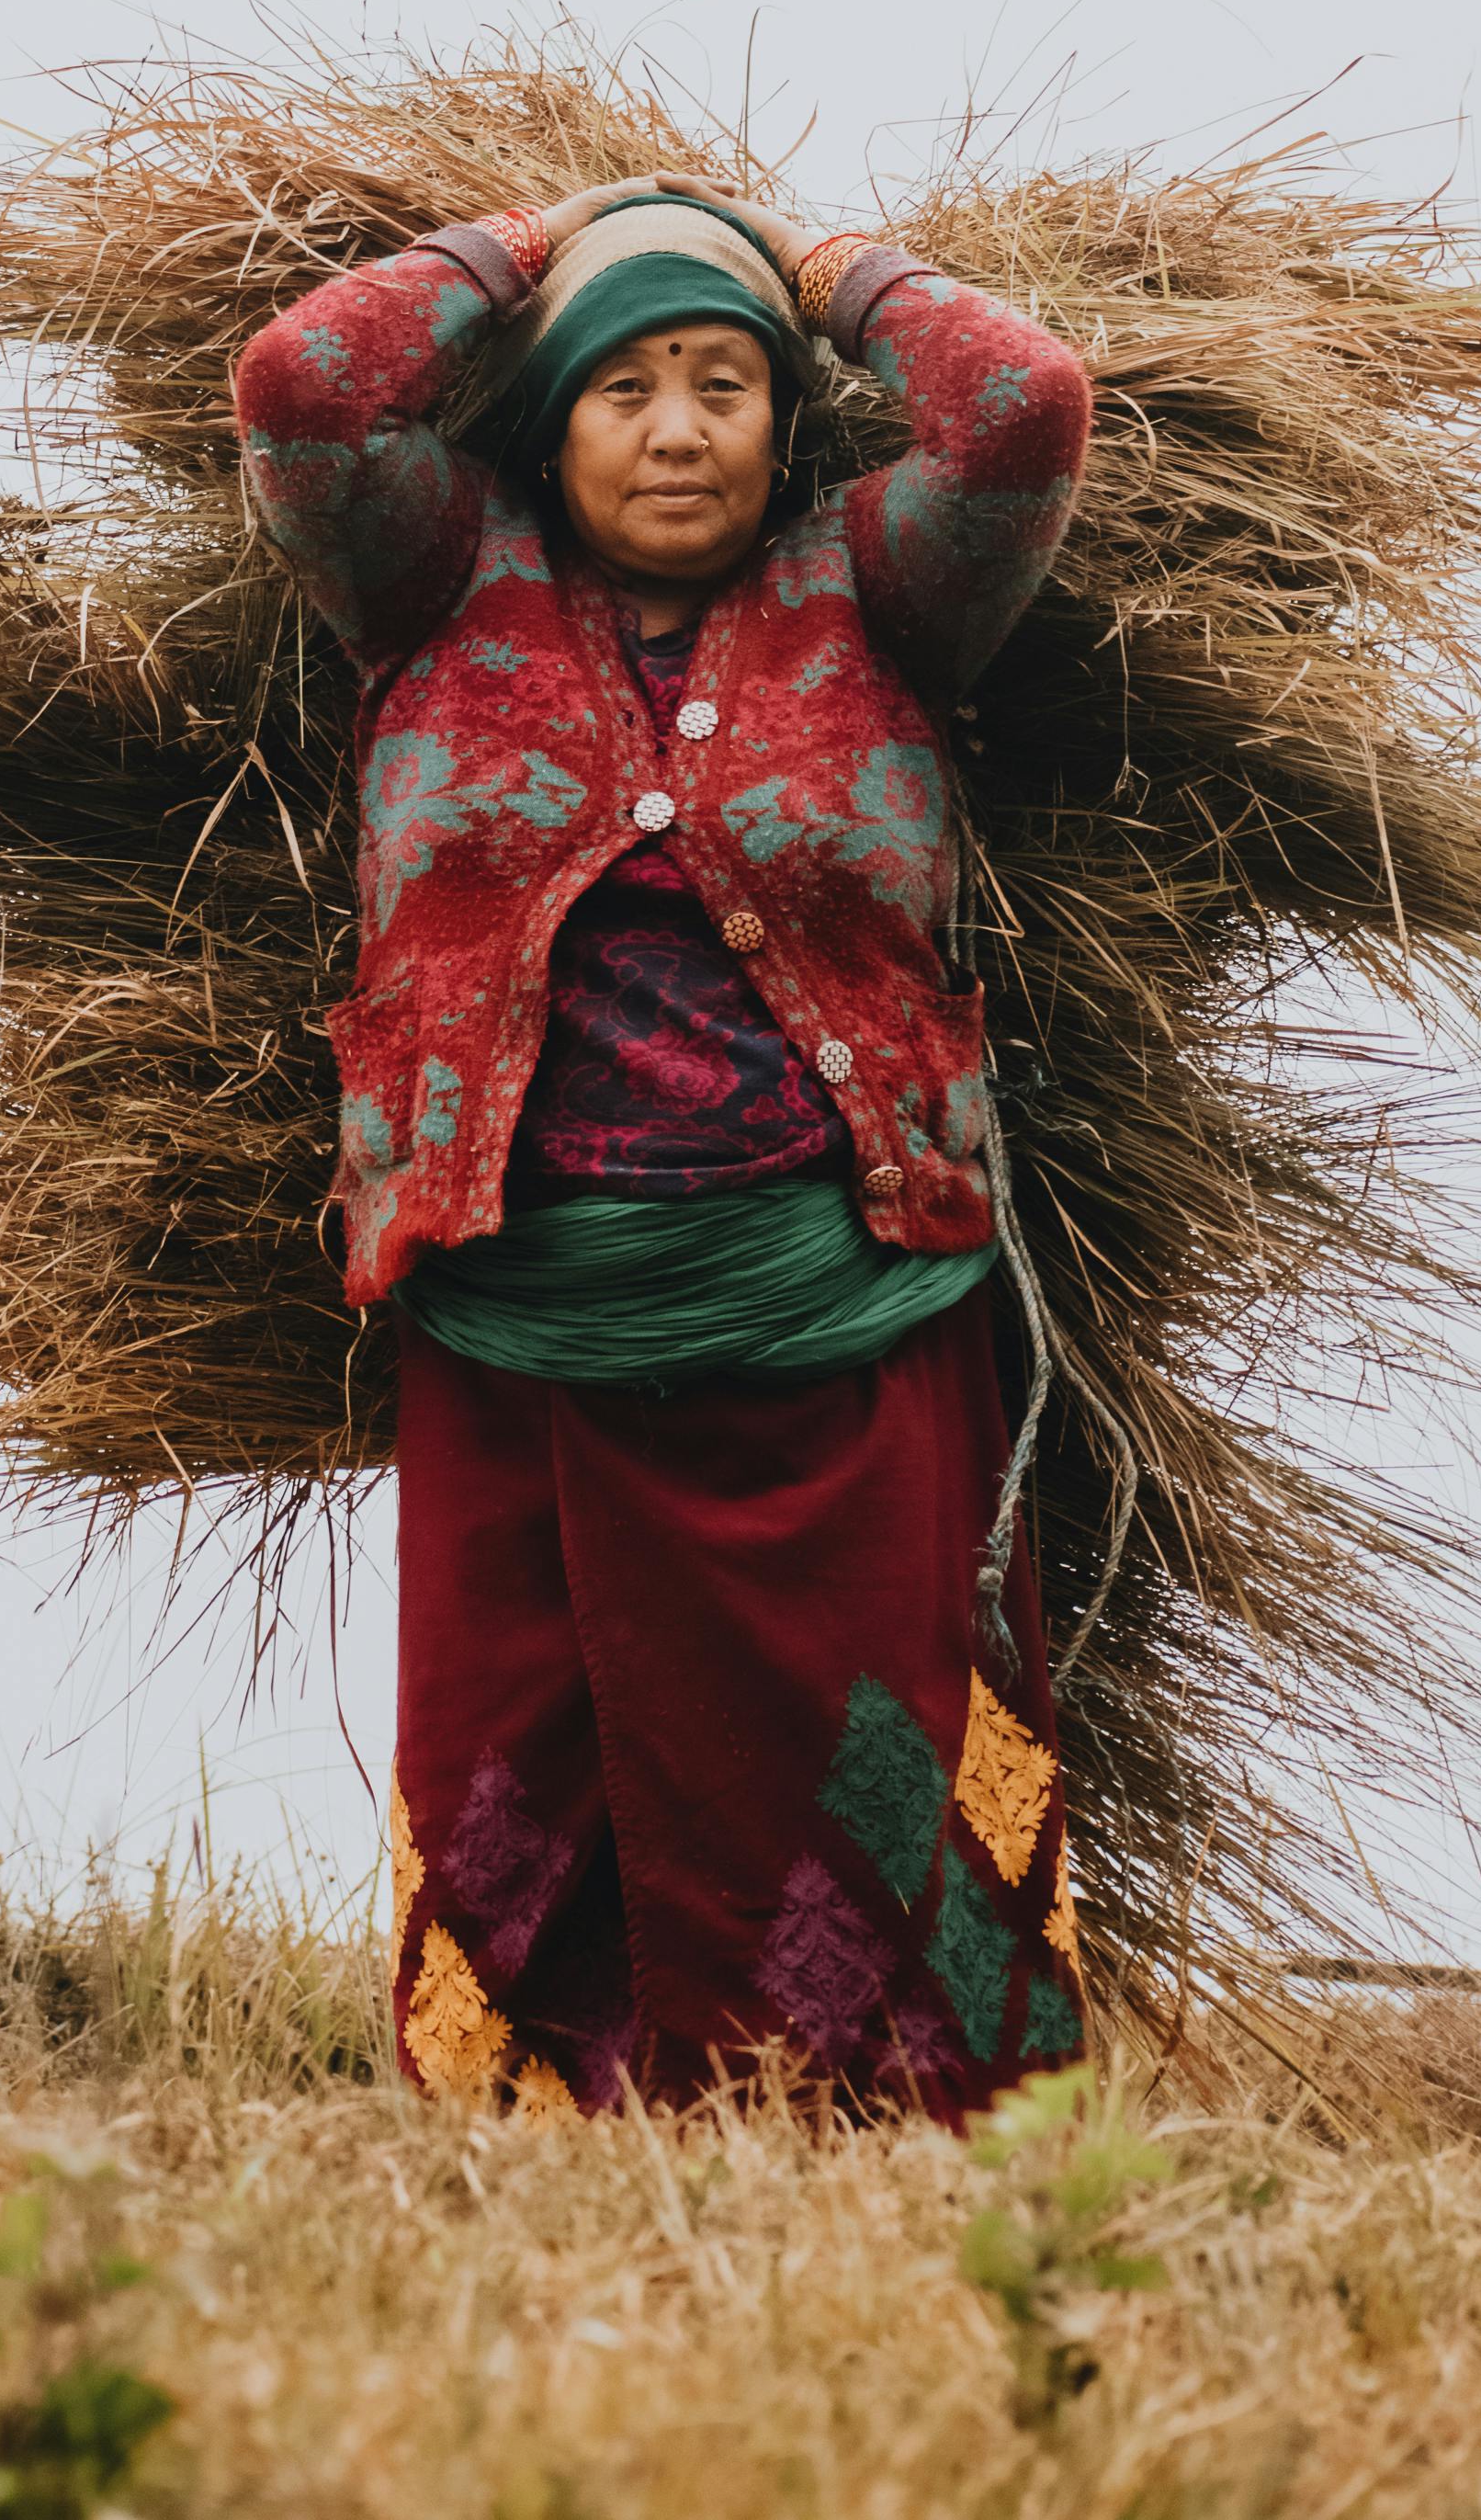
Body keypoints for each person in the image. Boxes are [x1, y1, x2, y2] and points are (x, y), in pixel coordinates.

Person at [234, 172, 1095, 2121]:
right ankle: (540, 2146)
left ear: (788, 424)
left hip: (850, 1303)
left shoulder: (880, 587)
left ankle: (913, 2137)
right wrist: (538, 237)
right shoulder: (431, 578)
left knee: (875, 1752)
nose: (679, 427)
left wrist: (824, 269)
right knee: (528, 1757)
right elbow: (300, 389)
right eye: (623, 387)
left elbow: (1022, 408)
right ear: (550, 427)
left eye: (725, 382)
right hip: (522, 1313)